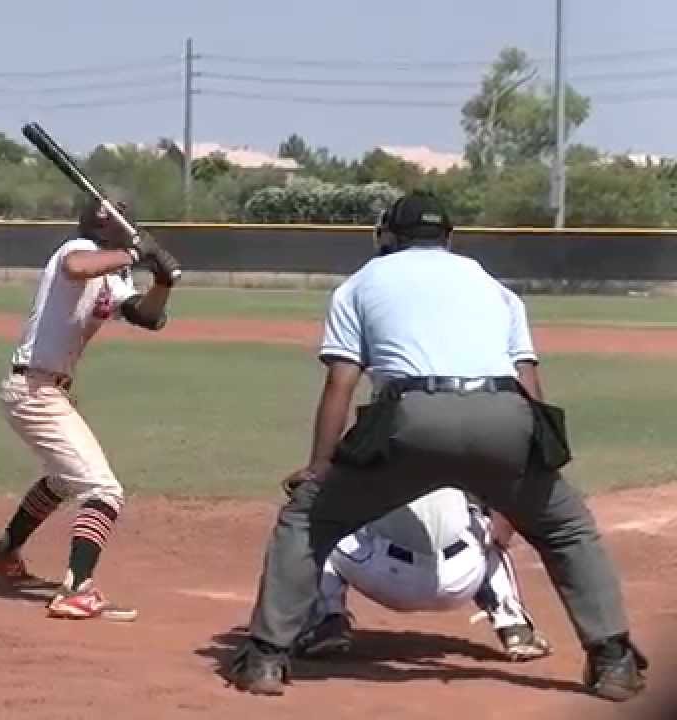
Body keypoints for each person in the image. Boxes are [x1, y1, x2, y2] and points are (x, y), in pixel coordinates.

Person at [228, 191, 647, 701]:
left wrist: (319, 467)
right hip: (505, 415)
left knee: (307, 520)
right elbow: (528, 382)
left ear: (388, 235)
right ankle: (613, 661)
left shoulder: (360, 284)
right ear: (448, 237)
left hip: (410, 419)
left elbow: (341, 383)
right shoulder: (493, 287)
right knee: (567, 529)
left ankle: (266, 659)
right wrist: (532, 479)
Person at [0, 194, 180, 621]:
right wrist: (139, 251)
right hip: (33, 387)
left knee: (63, 480)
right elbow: (76, 269)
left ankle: (3, 553)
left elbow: (147, 317)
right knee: (104, 490)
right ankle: (77, 589)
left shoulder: (113, 275)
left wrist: (162, 281)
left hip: (45, 389)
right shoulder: (76, 251)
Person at [292, 487, 552, 663]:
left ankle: (327, 622)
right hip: (460, 580)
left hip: (386, 580)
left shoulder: (373, 443)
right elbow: (502, 523)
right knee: (484, 533)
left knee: (321, 527)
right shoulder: (464, 447)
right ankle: (515, 628)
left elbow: (331, 492)